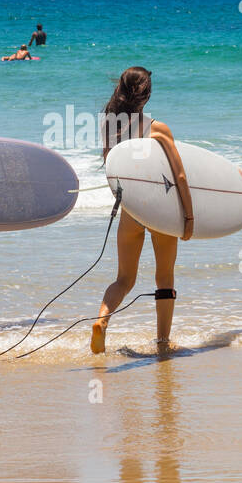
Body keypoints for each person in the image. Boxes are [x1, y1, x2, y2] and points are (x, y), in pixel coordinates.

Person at [91, 66, 193, 354]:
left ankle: (102, 320)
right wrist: (189, 217)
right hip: (161, 211)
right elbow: (180, 176)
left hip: (132, 211)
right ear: (146, 95)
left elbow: (113, 171)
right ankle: (162, 341)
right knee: (165, 277)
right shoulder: (158, 129)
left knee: (124, 279)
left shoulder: (110, 126)